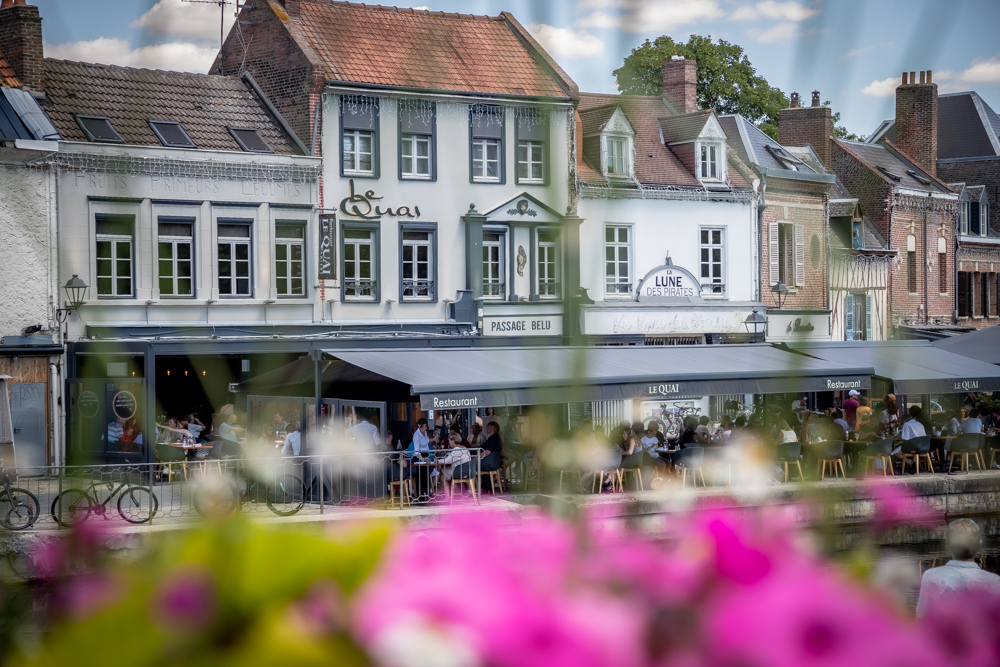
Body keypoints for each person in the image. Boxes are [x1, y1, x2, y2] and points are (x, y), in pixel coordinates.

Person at [916, 518, 1000, 618]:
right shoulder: (995, 581)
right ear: (979, 544)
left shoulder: (932, 576)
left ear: (949, 546)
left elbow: (921, 619)